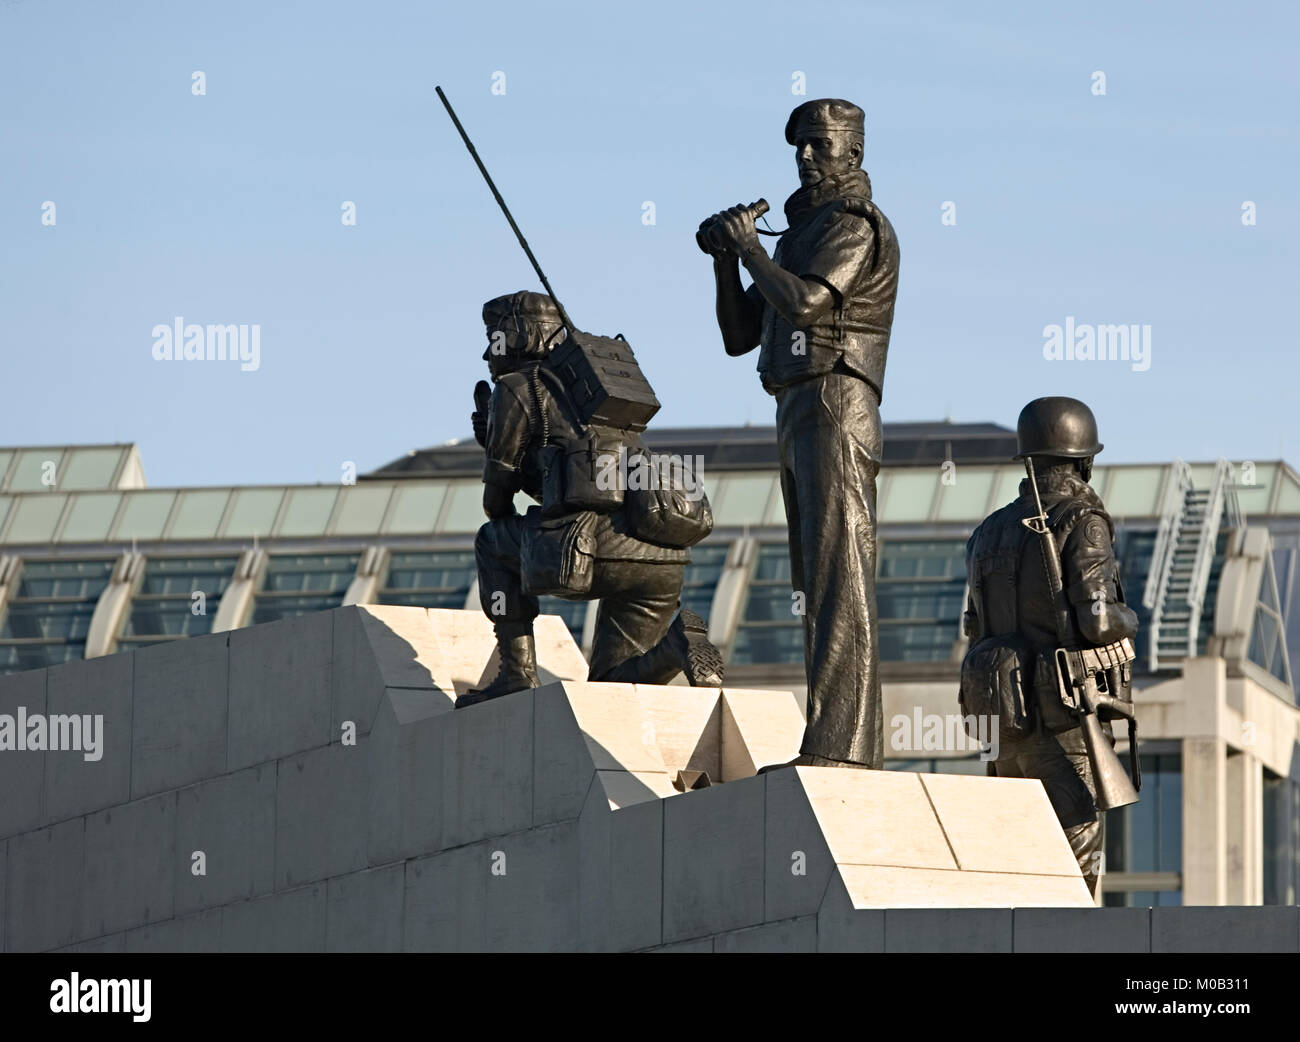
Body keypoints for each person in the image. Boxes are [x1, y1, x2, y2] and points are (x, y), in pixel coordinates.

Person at [698, 98, 900, 768]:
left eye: (819, 145)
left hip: (836, 401)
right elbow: (736, 335)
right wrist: (728, 260)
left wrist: (751, 246)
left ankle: (842, 749)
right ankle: (834, 743)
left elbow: (808, 304)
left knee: (840, 575)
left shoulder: (853, 226)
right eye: (799, 147)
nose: (806, 157)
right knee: (819, 578)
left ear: (853, 153)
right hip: (798, 405)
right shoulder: (804, 234)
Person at [457, 290, 723, 708]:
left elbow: (497, 500)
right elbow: (583, 477)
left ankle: (516, 674)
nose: (486, 352)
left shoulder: (517, 387)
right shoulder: (599, 393)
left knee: (491, 541)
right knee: (612, 689)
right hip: (662, 559)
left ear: (516, 336)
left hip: (591, 545)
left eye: (493, 337)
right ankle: (676, 647)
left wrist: (494, 446)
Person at [963, 396, 1139, 895]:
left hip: (1001, 721)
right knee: (1077, 853)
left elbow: (974, 627)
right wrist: (1134, 617)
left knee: (1018, 861)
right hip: (1063, 716)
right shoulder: (1083, 521)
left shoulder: (987, 531)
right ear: (1084, 459)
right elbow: (1100, 620)